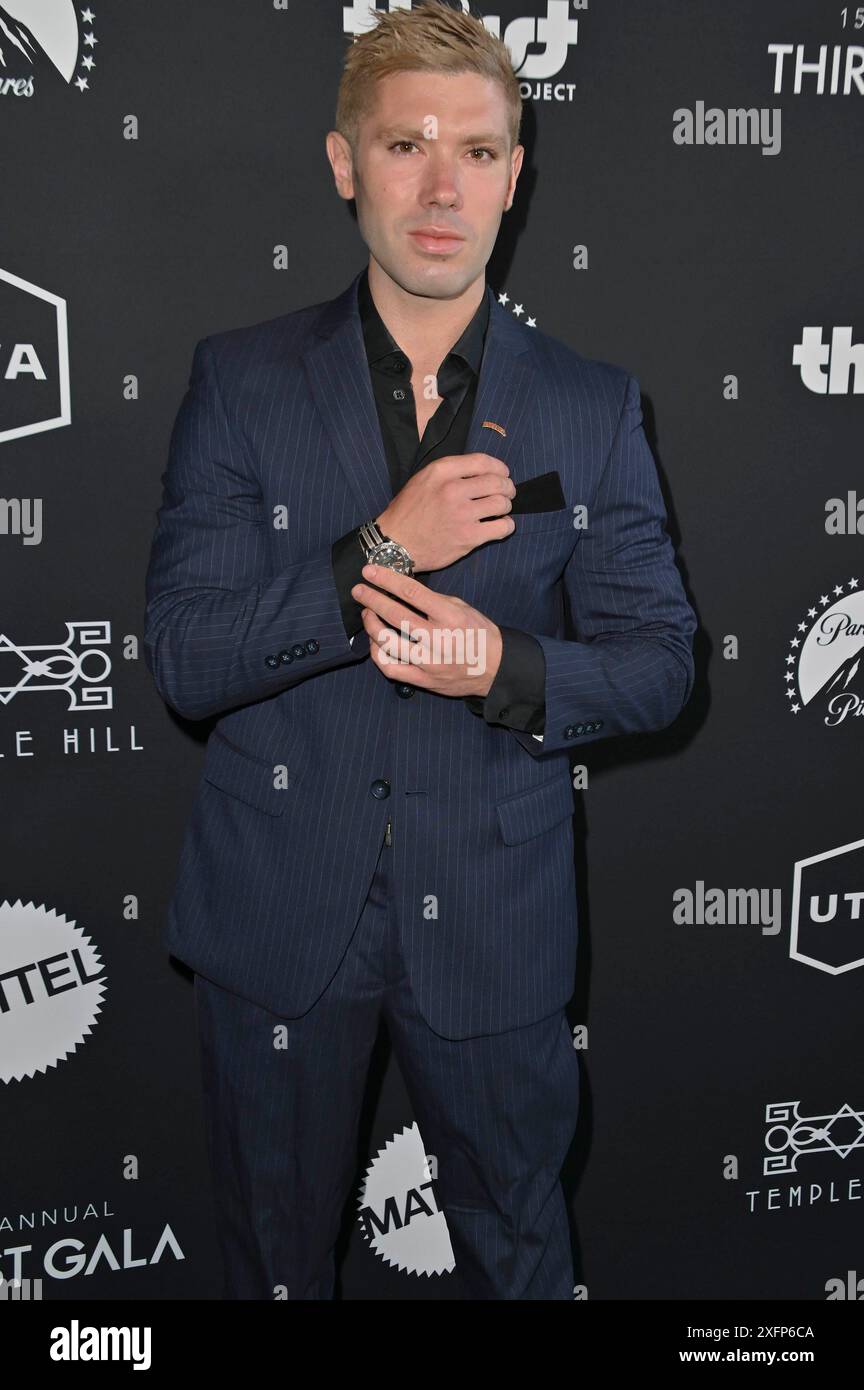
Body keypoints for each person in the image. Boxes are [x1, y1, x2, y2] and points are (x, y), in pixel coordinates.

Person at [143, 0, 696, 1300]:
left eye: (479, 151)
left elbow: (662, 661)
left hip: (494, 923)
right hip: (277, 915)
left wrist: (505, 665)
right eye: (405, 147)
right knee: (273, 1270)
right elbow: (188, 655)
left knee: (519, 1258)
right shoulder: (241, 380)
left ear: (517, 172)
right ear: (345, 164)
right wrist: (378, 550)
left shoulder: (591, 405)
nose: (443, 187)